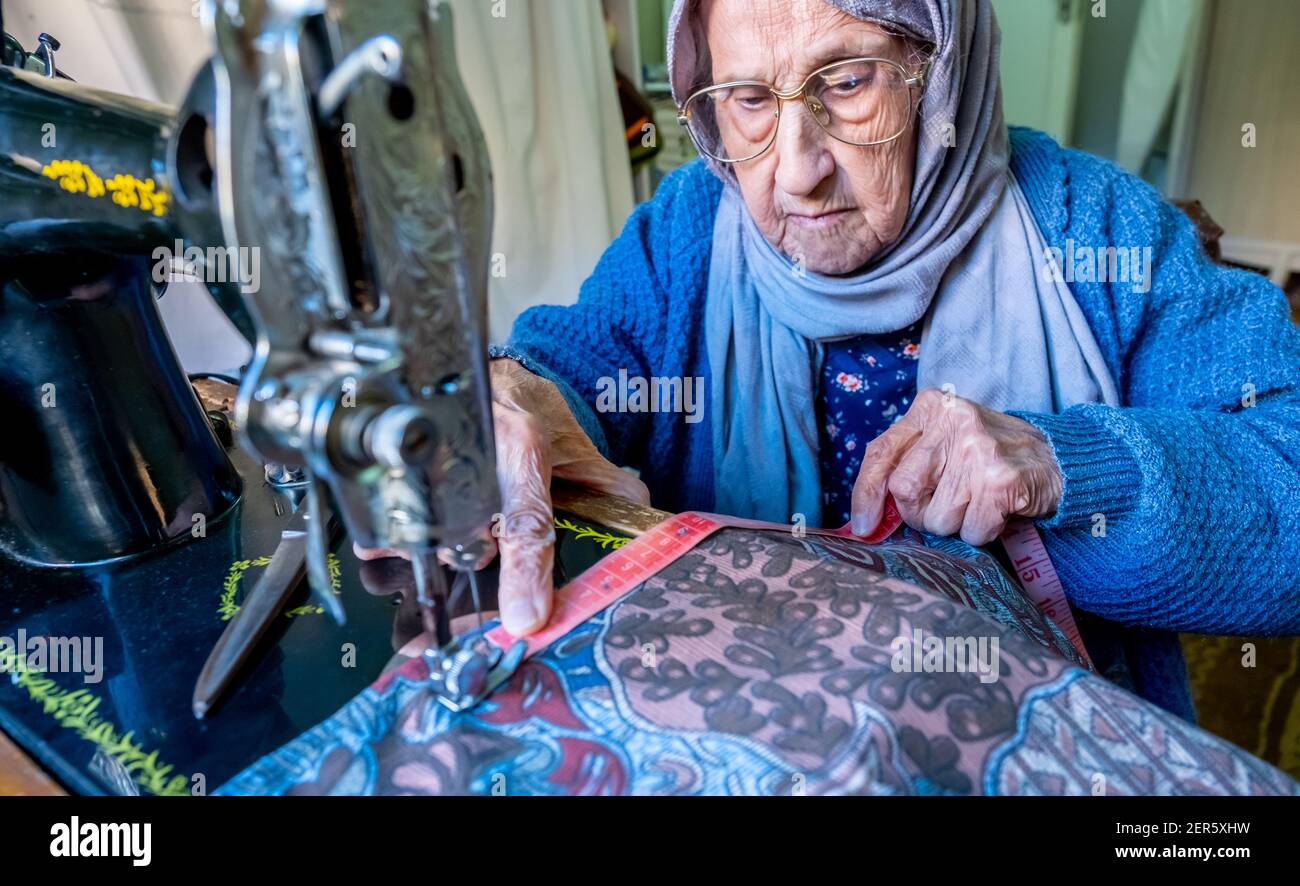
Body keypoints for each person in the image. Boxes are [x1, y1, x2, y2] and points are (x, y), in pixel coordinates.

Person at [365, 0, 1300, 719]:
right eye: (748, 101)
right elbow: (569, 366)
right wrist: (510, 404)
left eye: (848, 83)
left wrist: (1067, 468)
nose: (795, 167)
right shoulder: (688, 230)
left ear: (942, 75)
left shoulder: (1101, 235)